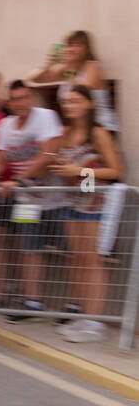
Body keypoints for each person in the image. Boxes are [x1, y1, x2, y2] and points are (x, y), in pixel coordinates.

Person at [0, 81, 64, 322]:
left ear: (31, 98)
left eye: (25, 98)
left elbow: (48, 154)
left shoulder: (46, 117)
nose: (21, 103)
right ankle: (32, 302)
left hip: (57, 198)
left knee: (69, 250)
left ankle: (75, 307)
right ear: (9, 102)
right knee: (29, 248)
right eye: (16, 99)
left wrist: (18, 180)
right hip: (26, 201)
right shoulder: (5, 126)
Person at [49, 85, 124, 343]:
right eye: (66, 102)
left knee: (92, 260)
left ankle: (94, 320)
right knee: (77, 258)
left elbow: (115, 171)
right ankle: (82, 314)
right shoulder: (66, 133)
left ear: (89, 103)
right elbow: (65, 166)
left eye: (75, 101)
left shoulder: (98, 133)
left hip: (94, 202)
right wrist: (62, 167)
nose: (70, 106)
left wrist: (80, 171)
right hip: (70, 200)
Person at [28, 30, 116, 131]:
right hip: (78, 128)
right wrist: (48, 66)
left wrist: (70, 69)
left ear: (86, 48)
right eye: (69, 45)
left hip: (100, 126)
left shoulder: (93, 66)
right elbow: (36, 80)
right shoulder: (67, 69)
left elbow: (82, 93)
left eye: (77, 45)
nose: (71, 49)